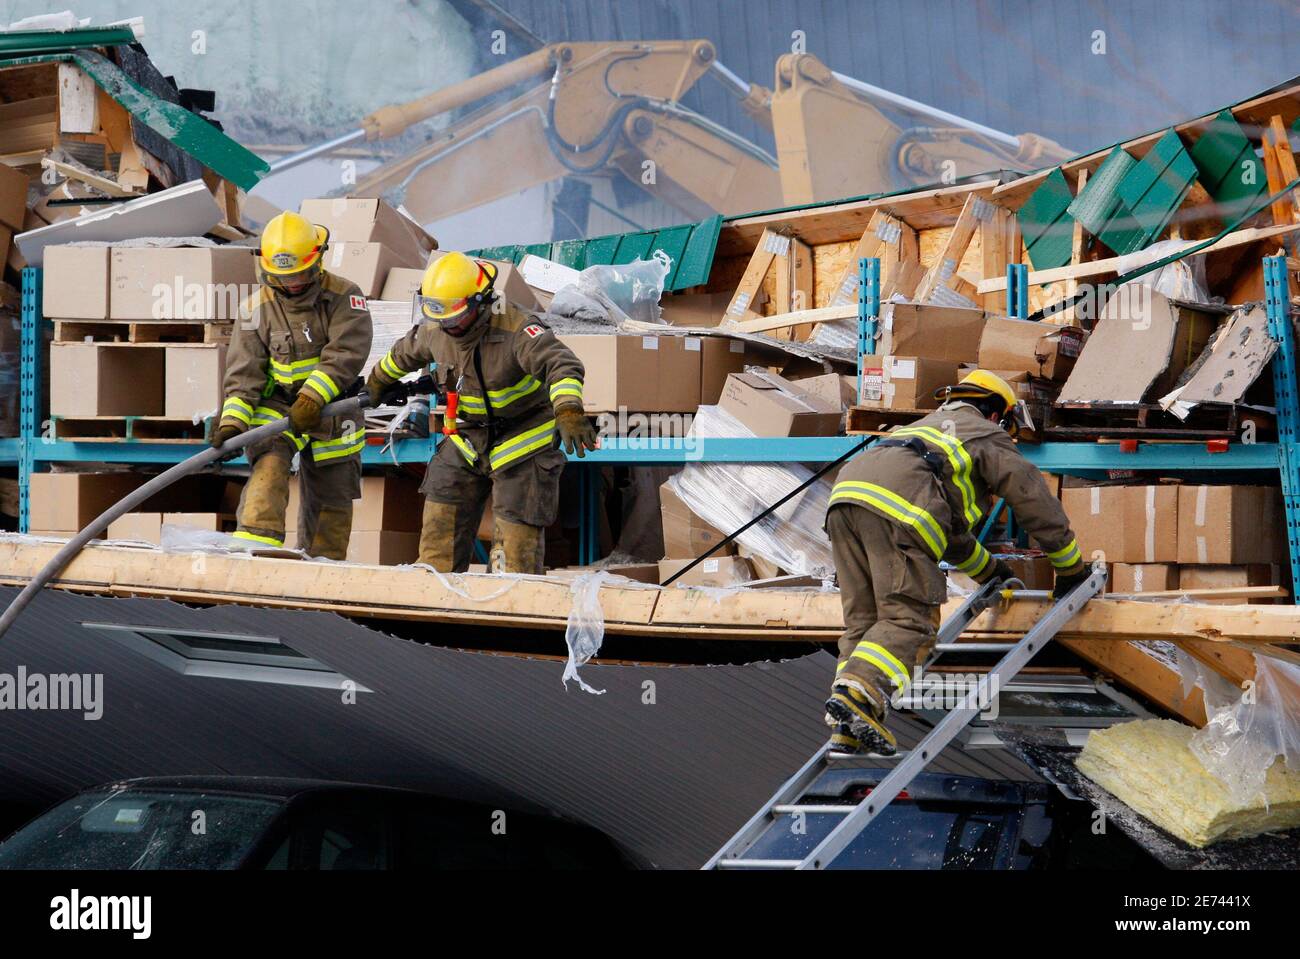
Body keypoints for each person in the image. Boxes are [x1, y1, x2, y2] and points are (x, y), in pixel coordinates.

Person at [824, 370, 1088, 755]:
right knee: (907, 618)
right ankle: (859, 696)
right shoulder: (985, 433)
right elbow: (1032, 498)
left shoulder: (920, 431)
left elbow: (950, 536)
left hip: (844, 501)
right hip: (899, 512)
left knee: (865, 621)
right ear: (996, 413)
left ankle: (848, 721)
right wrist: (1070, 568)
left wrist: (991, 572)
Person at [365, 251, 597, 573]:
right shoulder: (435, 328)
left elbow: (562, 364)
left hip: (523, 438)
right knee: (439, 526)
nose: (446, 324)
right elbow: (402, 355)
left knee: (515, 555)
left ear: (479, 303)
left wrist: (569, 410)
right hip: (468, 437)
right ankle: (435, 601)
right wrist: (376, 382)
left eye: (454, 316)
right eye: (438, 314)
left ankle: (509, 607)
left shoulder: (517, 328)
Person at [210, 210, 372, 558]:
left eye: (300, 273)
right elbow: (244, 374)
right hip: (278, 407)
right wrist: (232, 423)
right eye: (284, 276)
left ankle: (322, 573)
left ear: (318, 260)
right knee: (268, 468)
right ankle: (256, 554)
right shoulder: (255, 310)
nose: (294, 282)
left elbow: (346, 353)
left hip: (335, 408)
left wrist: (314, 397)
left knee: (333, 498)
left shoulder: (346, 297)